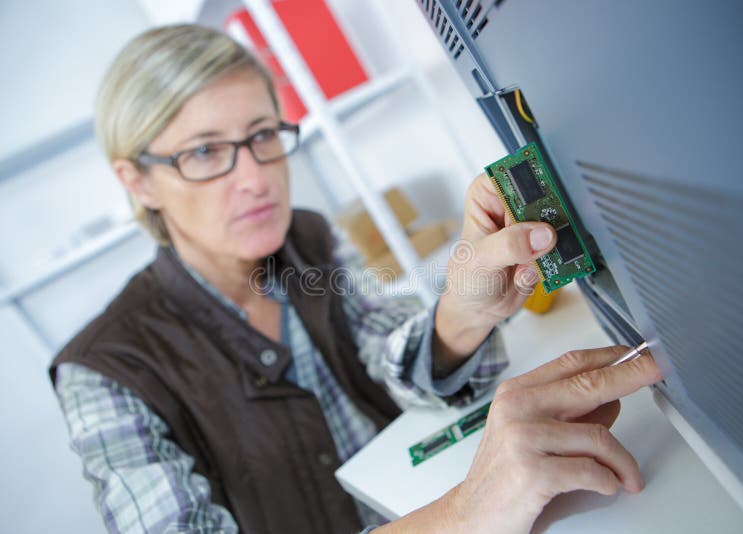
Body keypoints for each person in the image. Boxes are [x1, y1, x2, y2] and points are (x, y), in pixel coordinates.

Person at [50, 24, 662, 533]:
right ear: (137, 181)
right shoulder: (101, 371)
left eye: (263, 135)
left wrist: (469, 306)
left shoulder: (306, 241)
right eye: (205, 152)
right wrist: (469, 509)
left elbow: (383, 349)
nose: (257, 177)